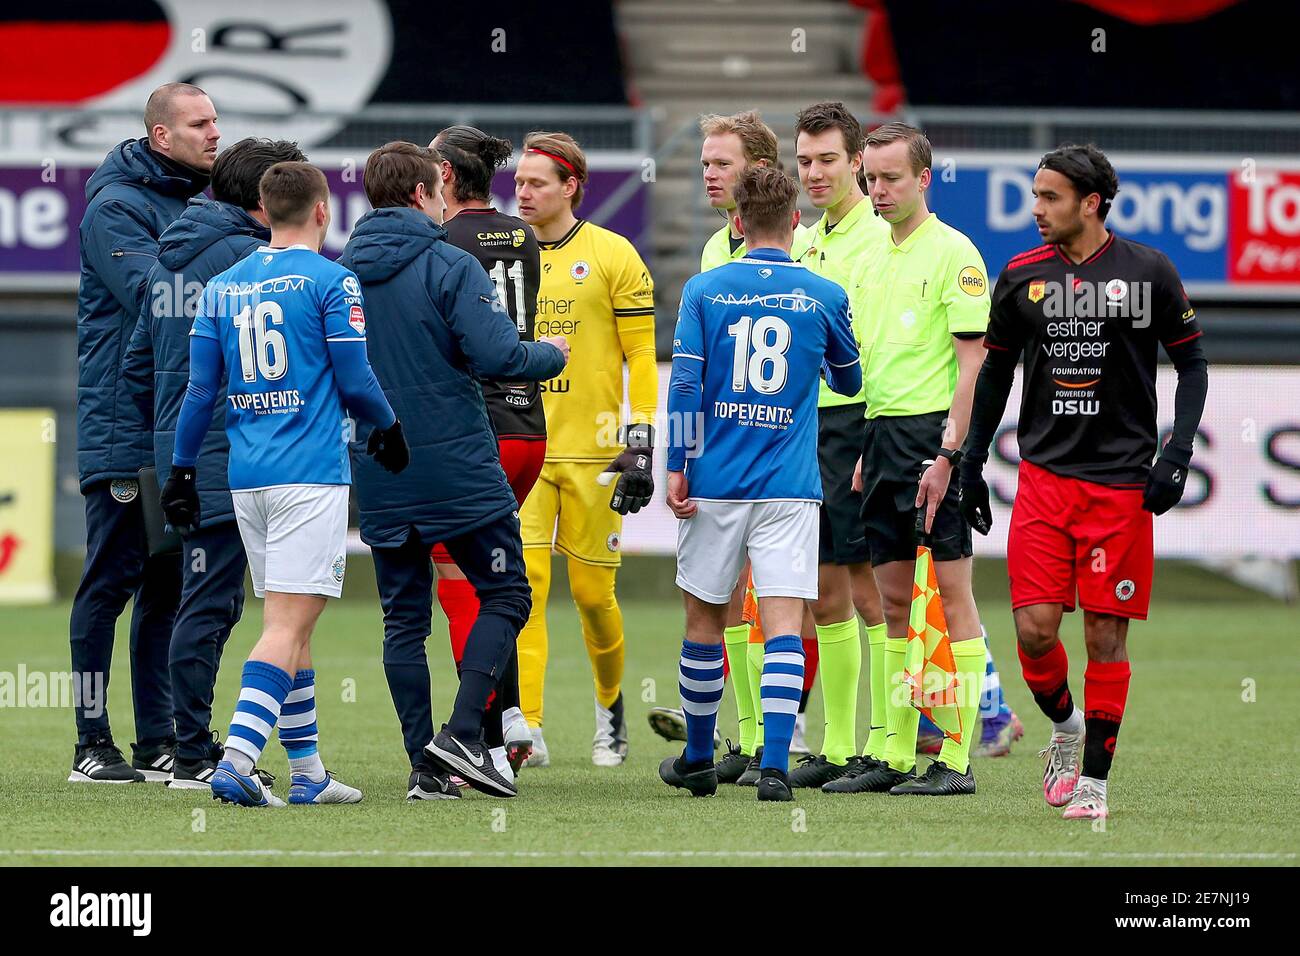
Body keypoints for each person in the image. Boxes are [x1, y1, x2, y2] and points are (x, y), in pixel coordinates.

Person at [958, 144, 1209, 820]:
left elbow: (1193, 365)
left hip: (1121, 487)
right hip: (1042, 481)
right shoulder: (1021, 276)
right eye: (1034, 196)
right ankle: (1065, 728)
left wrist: (1177, 451)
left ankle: (1094, 783)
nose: (1035, 210)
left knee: (1105, 638)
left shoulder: (1148, 272)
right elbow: (996, 374)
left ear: (1090, 203)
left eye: (1049, 198)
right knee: (1036, 634)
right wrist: (972, 460)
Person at [162, 161, 409, 807]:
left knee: (290, 625)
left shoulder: (221, 286)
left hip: (246, 477)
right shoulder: (333, 280)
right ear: (323, 211)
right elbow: (355, 380)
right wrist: (388, 425)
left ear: (264, 212)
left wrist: (183, 469)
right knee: (287, 625)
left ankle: (308, 774)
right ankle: (238, 761)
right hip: (309, 474)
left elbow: (199, 391)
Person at [341, 142, 568, 800]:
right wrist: (549, 354)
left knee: (403, 621)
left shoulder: (339, 275)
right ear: (421, 193)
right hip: (460, 470)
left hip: (380, 470)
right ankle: (465, 732)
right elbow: (498, 354)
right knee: (507, 595)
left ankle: (425, 768)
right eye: (436, 191)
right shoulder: (449, 263)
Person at [660, 164, 861, 802]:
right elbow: (851, 380)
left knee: (704, 619)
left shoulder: (705, 289)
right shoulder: (824, 295)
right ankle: (774, 767)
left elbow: (685, 384)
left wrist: (678, 465)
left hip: (714, 481)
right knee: (783, 623)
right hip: (789, 485)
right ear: (796, 224)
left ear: (738, 222)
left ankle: (698, 758)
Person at [123, 137, 306, 789]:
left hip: (180, 455)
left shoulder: (166, 261)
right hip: (240, 454)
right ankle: (195, 753)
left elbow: (134, 365)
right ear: (263, 198)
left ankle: (198, 744)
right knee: (229, 606)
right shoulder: (252, 261)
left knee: (207, 601)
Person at [825, 122, 990, 797]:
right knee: (893, 601)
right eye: (871, 178)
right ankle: (893, 751)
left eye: (892, 178)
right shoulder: (872, 259)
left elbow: (973, 364)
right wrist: (868, 446)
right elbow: (873, 365)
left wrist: (950, 453)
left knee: (950, 599)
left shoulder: (954, 253)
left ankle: (955, 756)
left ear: (924, 179)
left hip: (931, 440)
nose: (879, 189)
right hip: (880, 434)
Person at [647, 109, 808, 781]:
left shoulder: (798, 250)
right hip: (764, 465)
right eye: (704, 162)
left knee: (825, 602)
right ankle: (760, 745)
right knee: (772, 608)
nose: (707, 174)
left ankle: (795, 742)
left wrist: (675, 462)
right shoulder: (720, 251)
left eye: (720, 164)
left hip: (780, 453)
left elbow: (686, 383)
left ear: (758, 176)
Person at [69, 82, 219, 784]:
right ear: (162, 136)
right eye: (199, 124)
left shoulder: (198, 201)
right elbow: (158, 296)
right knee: (109, 581)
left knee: (167, 586)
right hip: (124, 424)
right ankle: (89, 743)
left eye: (216, 121)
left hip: (170, 424)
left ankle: (156, 740)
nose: (213, 133)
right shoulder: (116, 207)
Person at [513, 132, 657, 767]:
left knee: (596, 599)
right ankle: (532, 727)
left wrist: (643, 438)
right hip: (523, 449)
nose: (521, 190)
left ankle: (609, 708)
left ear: (570, 186)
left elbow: (642, 357)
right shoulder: (501, 254)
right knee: (526, 589)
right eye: (518, 179)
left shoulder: (613, 254)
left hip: (596, 455)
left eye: (536, 181)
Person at [428, 125, 544, 774]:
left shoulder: (442, 243)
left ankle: (482, 735)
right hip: (530, 427)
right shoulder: (521, 234)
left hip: (480, 430)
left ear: (444, 174)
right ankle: (512, 718)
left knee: (459, 585)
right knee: (502, 581)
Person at [784, 101, 890, 790]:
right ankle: (840, 742)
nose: (814, 173)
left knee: (874, 590)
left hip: (860, 426)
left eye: (827, 160)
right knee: (823, 591)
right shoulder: (804, 241)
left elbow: (883, 352)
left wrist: (869, 442)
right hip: (808, 430)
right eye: (804, 161)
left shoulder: (881, 242)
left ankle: (889, 741)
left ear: (857, 161)